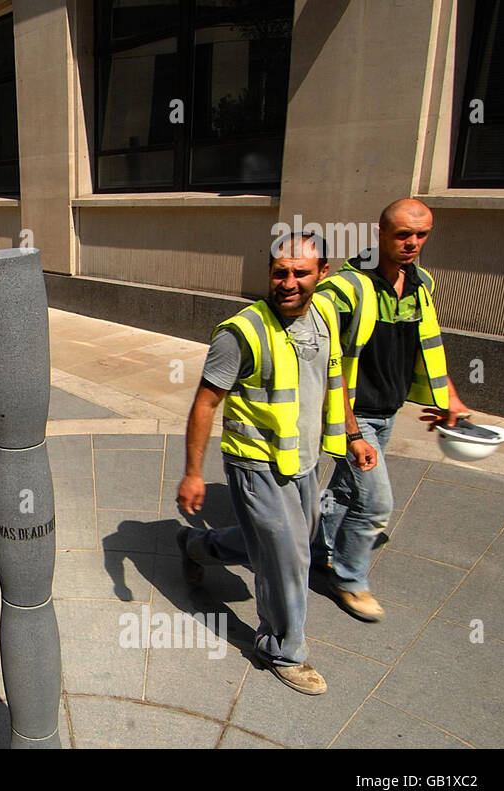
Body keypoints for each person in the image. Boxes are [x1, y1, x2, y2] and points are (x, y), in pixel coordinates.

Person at [176, 232, 377, 695]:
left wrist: (352, 434)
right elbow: (205, 404)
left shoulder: (325, 316)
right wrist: (193, 472)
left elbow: (334, 377)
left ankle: (195, 546)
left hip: (303, 461)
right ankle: (282, 649)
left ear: (322, 273)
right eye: (279, 272)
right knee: (288, 559)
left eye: (300, 272)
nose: (289, 282)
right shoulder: (240, 333)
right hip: (255, 464)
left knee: (275, 547)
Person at [312, 198, 470, 622]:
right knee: (377, 504)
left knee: (346, 491)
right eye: (403, 234)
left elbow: (426, 345)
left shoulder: (421, 283)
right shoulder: (344, 288)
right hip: (353, 413)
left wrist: (448, 396)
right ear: (379, 233)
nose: (413, 243)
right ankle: (349, 580)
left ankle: (320, 553)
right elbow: (325, 359)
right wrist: (350, 431)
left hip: (388, 410)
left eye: (421, 235)